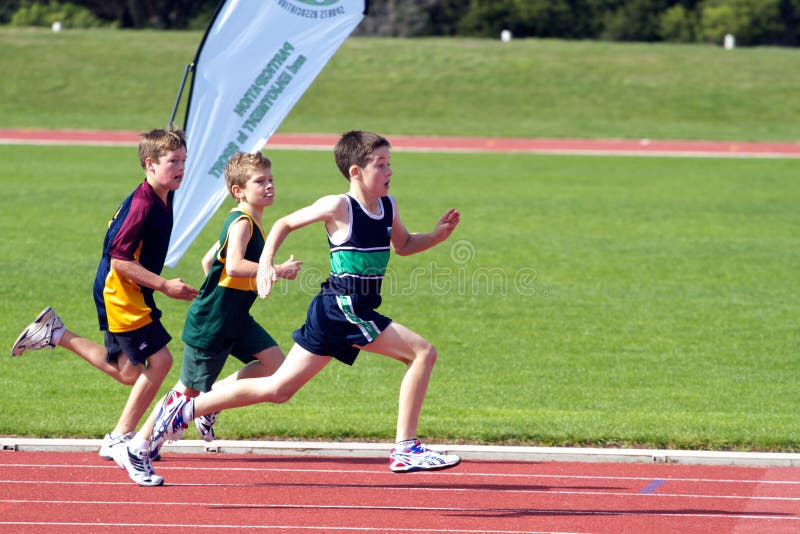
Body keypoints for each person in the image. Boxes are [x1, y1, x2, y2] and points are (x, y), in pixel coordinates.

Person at [150, 130, 462, 475]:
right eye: (380, 164)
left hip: (336, 311)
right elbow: (284, 223)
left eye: (390, 163)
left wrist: (436, 236)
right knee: (422, 353)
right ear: (355, 171)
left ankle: (185, 410)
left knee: (279, 389)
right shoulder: (339, 206)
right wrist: (267, 264)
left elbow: (402, 245)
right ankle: (406, 448)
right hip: (343, 307)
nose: (389, 171)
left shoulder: (388, 206)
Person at [10, 127, 199, 481]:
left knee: (129, 372)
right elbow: (120, 260)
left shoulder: (162, 196)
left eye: (183, 161)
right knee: (160, 361)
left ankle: (55, 332)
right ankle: (121, 438)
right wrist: (164, 285)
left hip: (128, 290)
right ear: (150, 164)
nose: (180, 168)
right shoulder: (143, 204)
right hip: (121, 292)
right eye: (173, 161)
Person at [114, 151, 302, 486]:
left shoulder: (247, 219)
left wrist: (225, 291)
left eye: (271, 179)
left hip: (235, 317)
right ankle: (138, 446)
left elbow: (208, 261)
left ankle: (212, 402)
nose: (269, 186)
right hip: (213, 321)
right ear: (238, 191)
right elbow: (233, 266)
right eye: (260, 181)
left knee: (276, 366)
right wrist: (275, 269)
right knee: (185, 391)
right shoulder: (242, 222)